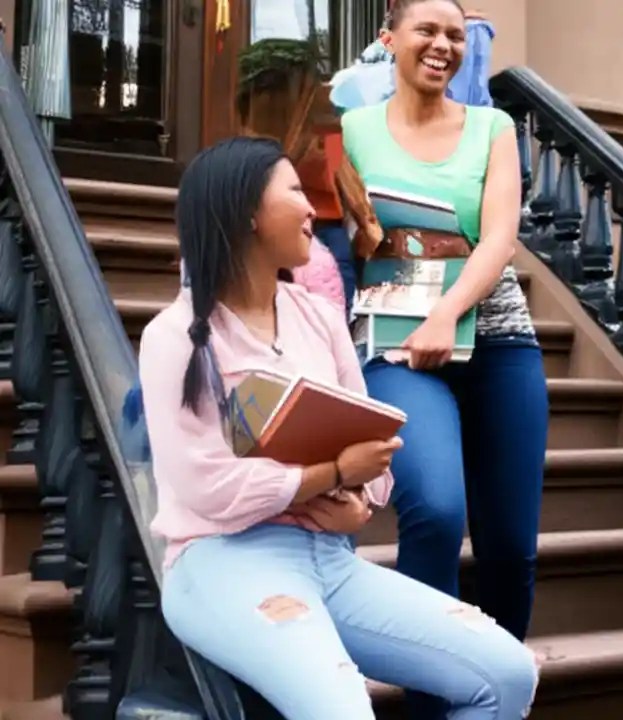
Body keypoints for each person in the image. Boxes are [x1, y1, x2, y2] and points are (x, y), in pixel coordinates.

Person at [137, 136, 538, 720]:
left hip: (331, 558)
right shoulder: (173, 337)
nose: (311, 208)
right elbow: (205, 487)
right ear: (247, 212)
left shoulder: (320, 318)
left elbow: (375, 450)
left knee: (507, 674)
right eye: (295, 191)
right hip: (221, 561)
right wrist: (329, 474)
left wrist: (357, 498)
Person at [340, 0, 545, 681]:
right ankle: (433, 691)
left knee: (510, 545)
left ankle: (496, 689)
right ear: (388, 39)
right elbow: (351, 242)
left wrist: (446, 313)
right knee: (435, 510)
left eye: (456, 35)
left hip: (497, 341)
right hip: (397, 346)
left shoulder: (493, 127)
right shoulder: (352, 129)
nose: (442, 45)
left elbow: (500, 239)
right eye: (426, 30)